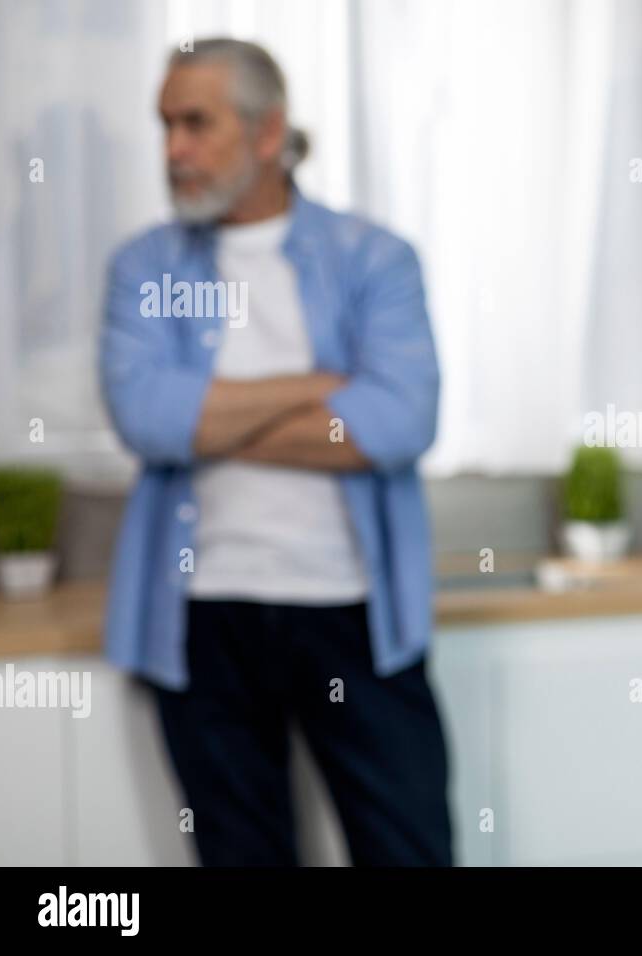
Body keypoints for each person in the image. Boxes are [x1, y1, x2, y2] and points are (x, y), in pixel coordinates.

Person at [99, 38, 451, 866]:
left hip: (357, 619)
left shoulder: (374, 257)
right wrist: (322, 385)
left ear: (267, 132)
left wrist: (208, 415)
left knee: (410, 849)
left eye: (196, 124)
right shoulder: (143, 266)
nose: (173, 149)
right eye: (165, 126)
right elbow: (147, 419)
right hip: (199, 622)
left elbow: (398, 421)